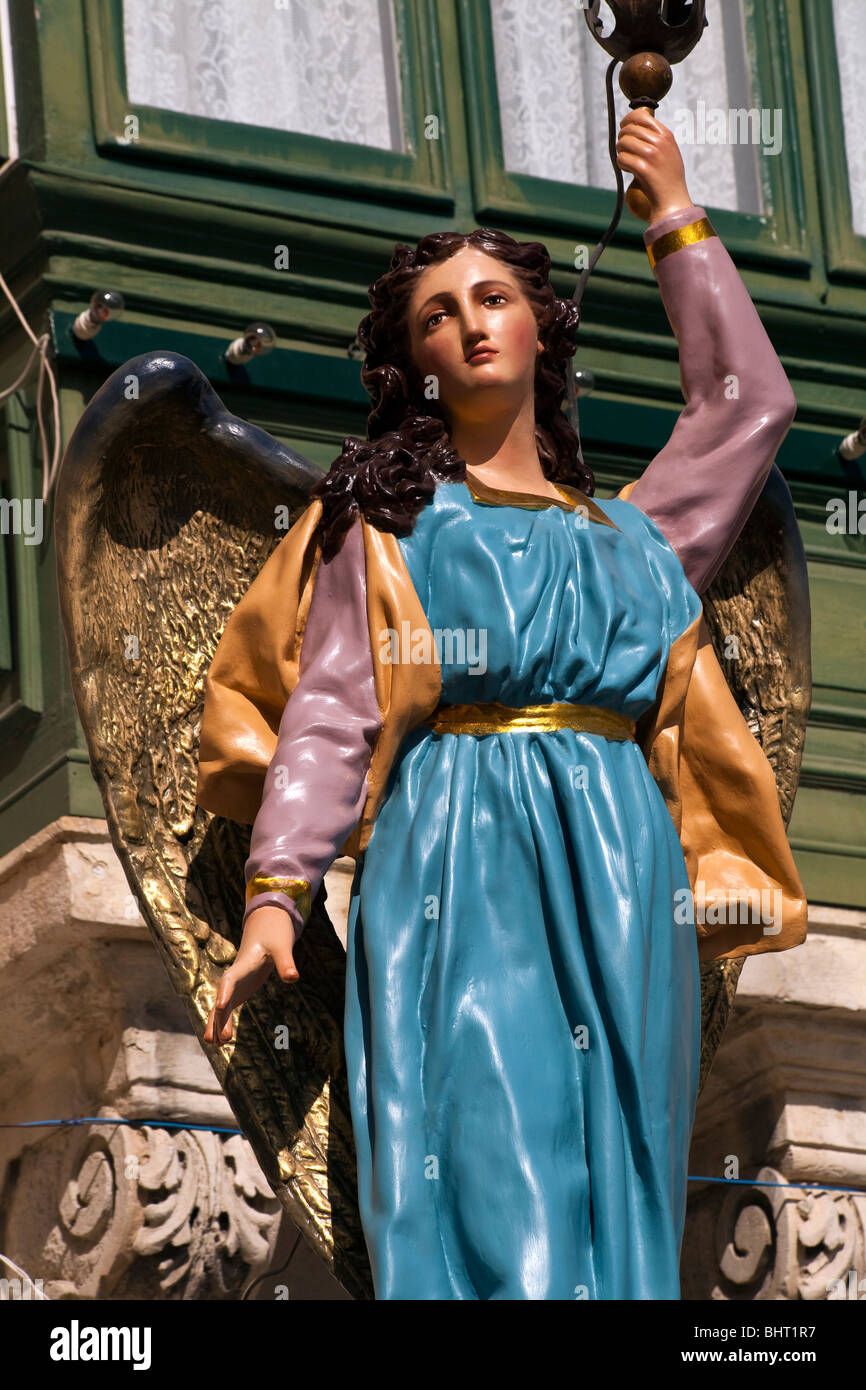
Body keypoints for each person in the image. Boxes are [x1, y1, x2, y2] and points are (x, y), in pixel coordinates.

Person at [199, 110, 804, 1298]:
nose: (469, 322)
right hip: (456, 858)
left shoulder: (634, 539)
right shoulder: (387, 528)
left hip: (624, 870)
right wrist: (276, 895)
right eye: (437, 313)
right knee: (486, 1159)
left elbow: (747, 408)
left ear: (540, 325)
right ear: (412, 360)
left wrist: (672, 216)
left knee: (616, 1170)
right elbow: (328, 710)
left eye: (490, 298)